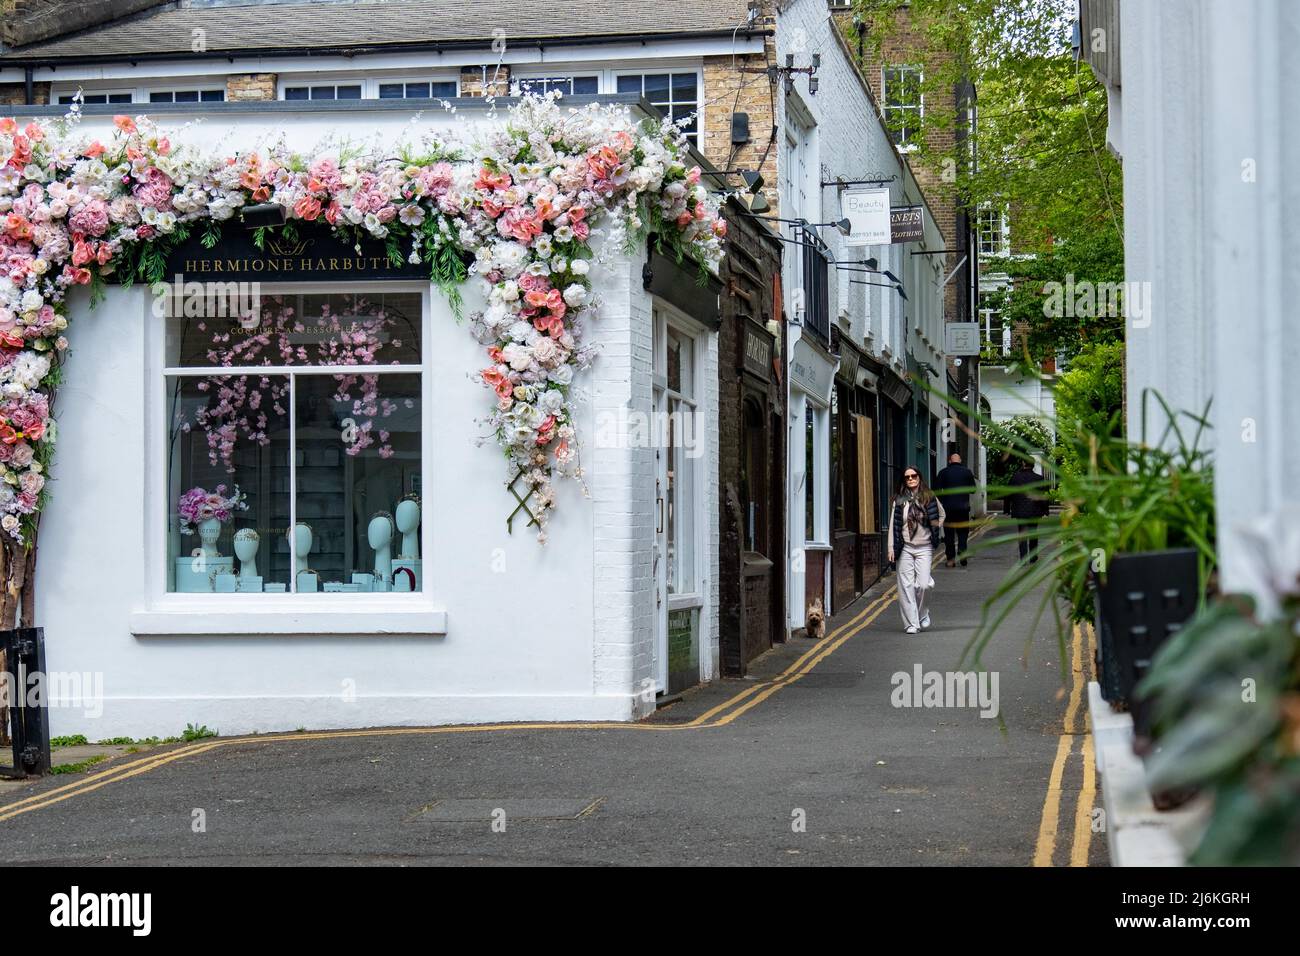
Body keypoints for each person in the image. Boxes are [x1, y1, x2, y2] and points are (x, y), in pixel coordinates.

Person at [886, 467, 945, 634]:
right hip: (905, 547)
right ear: (904, 480)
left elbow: (942, 515)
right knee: (906, 586)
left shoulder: (929, 496)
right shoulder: (899, 500)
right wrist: (891, 547)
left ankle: (923, 613)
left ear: (919, 477)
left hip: (924, 547)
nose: (911, 479)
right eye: (907, 477)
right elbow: (893, 524)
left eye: (914, 476)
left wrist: (934, 527)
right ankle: (912, 623)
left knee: (924, 585)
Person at [932, 451, 976, 568]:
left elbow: (936, 490)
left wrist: (942, 501)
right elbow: (973, 490)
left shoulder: (943, 472)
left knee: (949, 534)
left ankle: (950, 559)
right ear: (960, 461)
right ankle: (962, 552)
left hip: (948, 509)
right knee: (963, 532)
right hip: (963, 508)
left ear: (950, 461)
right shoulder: (967, 472)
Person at [1004, 460, 1050, 561]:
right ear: (1033, 465)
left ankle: (1023, 557)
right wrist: (1046, 510)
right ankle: (1033, 556)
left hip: (1020, 510)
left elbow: (1008, 494)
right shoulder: (1039, 478)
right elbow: (1044, 496)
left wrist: (1006, 509)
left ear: (1023, 464)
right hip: (1035, 510)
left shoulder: (1015, 477)